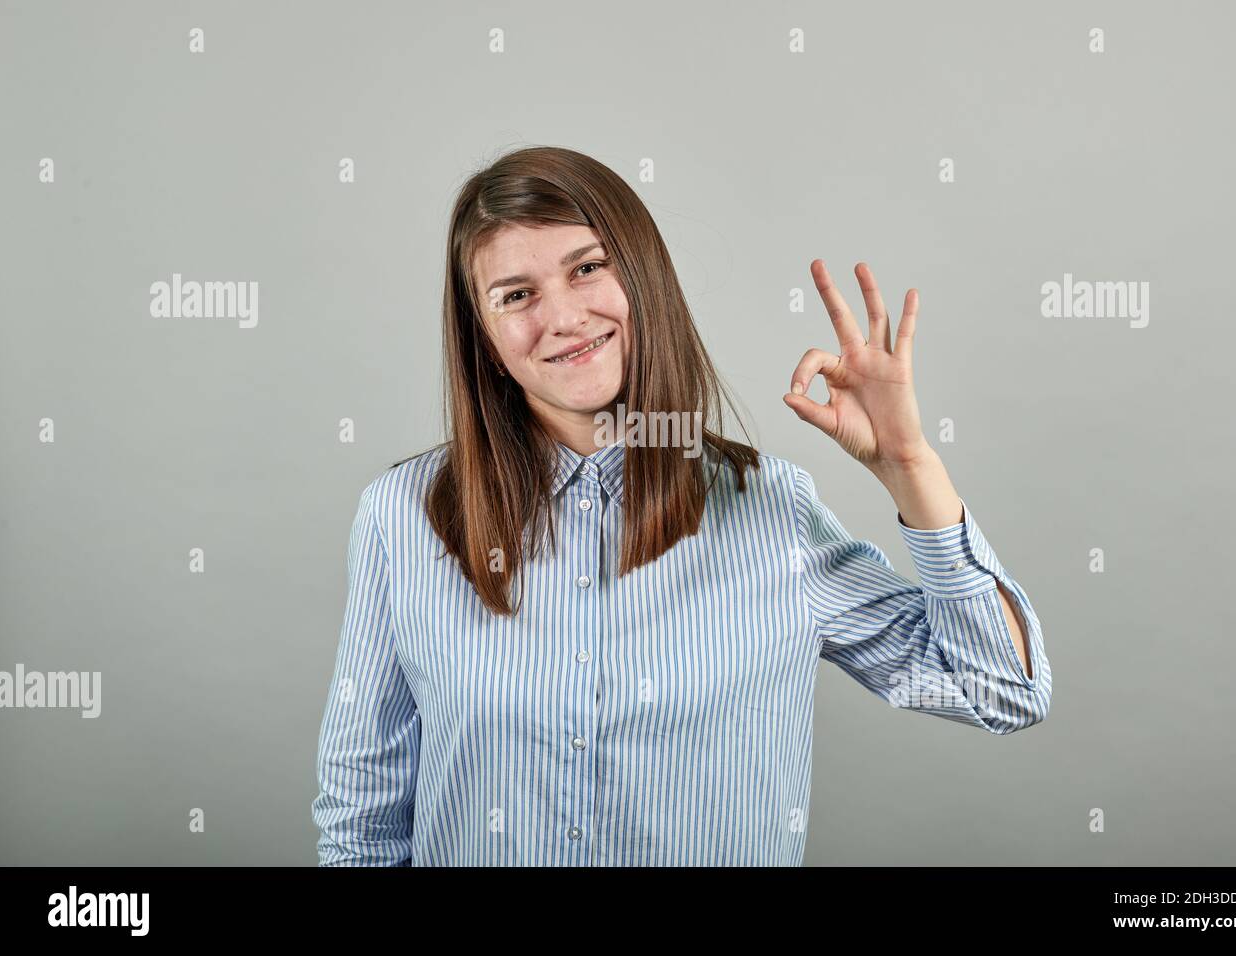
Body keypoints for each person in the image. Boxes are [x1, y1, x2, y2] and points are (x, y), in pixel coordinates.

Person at [310, 145, 1052, 866]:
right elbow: (362, 819)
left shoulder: (771, 512)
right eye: (517, 295)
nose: (563, 317)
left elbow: (1000, 691)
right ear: (484, 333)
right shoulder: (400, 517)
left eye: (588, 268)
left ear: (643, 278)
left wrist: (910, 469)